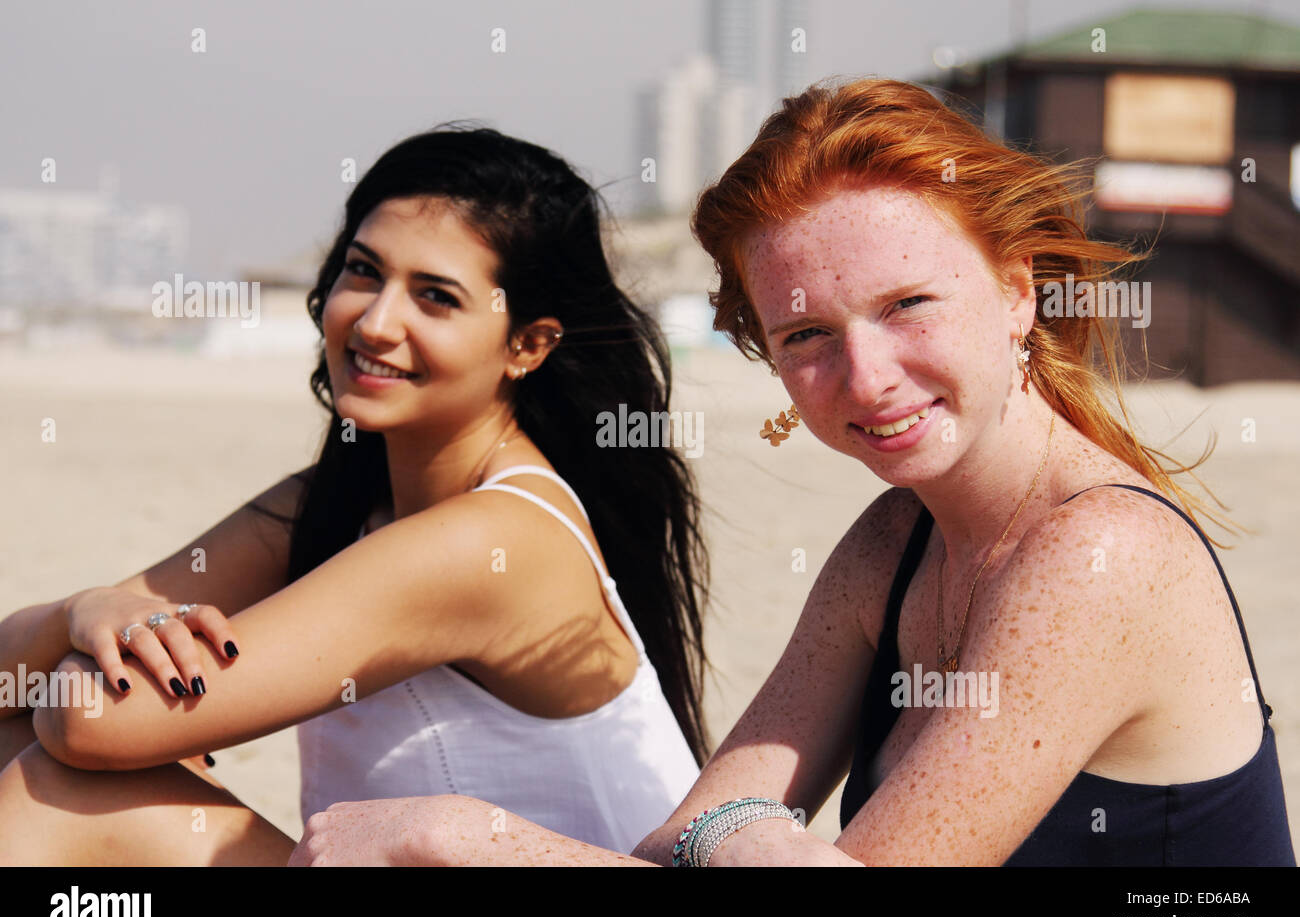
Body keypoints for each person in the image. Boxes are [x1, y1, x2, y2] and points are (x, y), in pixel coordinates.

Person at [292, 77, 1294, 866]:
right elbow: (680, 837)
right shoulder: (891, 544)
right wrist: (740, 836)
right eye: (807, 333)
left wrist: (473, 838)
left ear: (1014, 290)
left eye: (908, 305)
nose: (865, 377)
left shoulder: (1101, 555)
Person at [0, 124, 710, 865]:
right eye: (365, 272)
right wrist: (83, 611)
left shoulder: (490, 540)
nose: (375, 323)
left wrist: (97, 645)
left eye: (435, 298)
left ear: (527, 345)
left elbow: (91, 719)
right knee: (14, 735)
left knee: (61, 785)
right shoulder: (344, 499)